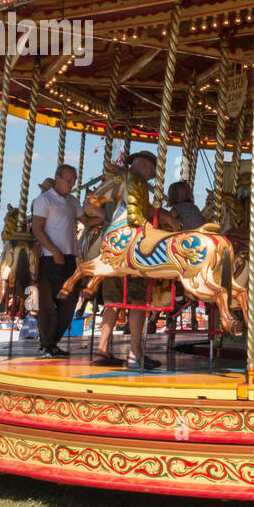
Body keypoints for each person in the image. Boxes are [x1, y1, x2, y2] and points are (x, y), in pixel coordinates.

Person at [82, 151, 171, 370]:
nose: (152, 176)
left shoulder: (116, 179)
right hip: (132, 245)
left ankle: (102, 350)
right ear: (142, 165)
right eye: (152, 169)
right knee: (137, 300)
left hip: (111, 247)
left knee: (112, 300)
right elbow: (145, 209)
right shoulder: (134, 182)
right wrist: (166, 216)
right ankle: (135, 352)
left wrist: (108, 220)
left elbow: (90, 205)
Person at [31, 163, 83, 360]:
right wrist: (53, 250)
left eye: (74, 181)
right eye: (69, 180)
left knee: (69, 303)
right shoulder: (44, 200)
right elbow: (37, 229)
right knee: (48, 304)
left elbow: (86, 220)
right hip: (49, 257)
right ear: (58, 178)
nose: (72, 184)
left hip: (70, 257)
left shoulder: (72, 201)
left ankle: (51, 343)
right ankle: (46, 343)